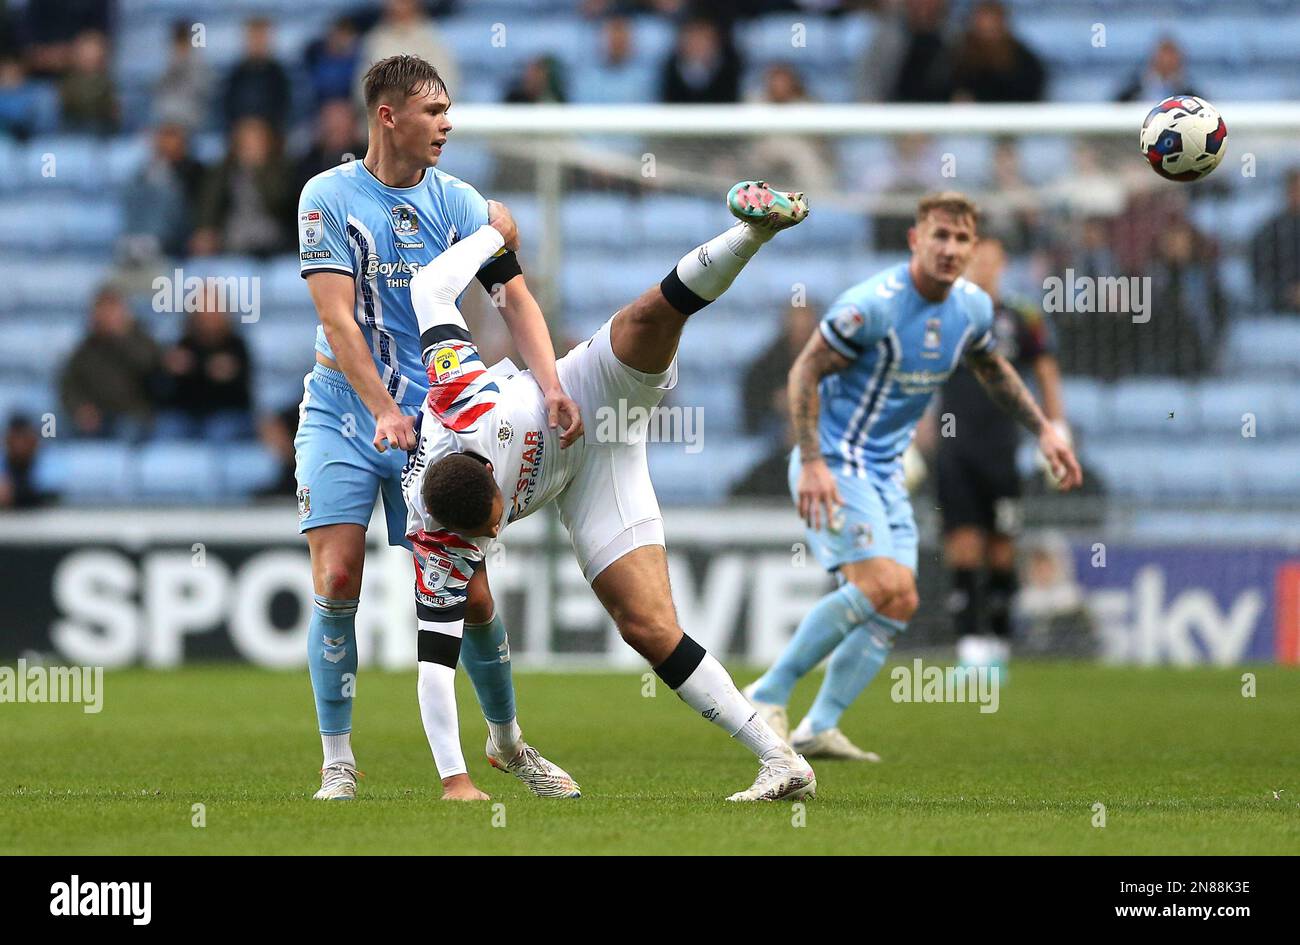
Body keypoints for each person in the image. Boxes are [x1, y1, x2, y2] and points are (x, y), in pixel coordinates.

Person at [401, 182, 817, 802]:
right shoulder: (436, 540)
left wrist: (496, 234)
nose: (498, 532)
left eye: (495, 519)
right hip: (587, 478)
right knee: (647, 627)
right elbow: (433, 668)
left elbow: (427, 290)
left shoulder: (460, 398)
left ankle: (754, 230)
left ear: (490, 470)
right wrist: (453, 781)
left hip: (581, 392)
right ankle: (782, 762)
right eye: (490, 532)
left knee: (645, 318)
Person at [296, 55, 583, 802]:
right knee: (337, 577)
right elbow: (335, 314)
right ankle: (338, 760)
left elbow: (514, 299)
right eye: (433, 111)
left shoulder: (461, 202)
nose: (447, 124)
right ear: (387, 115)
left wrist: (550, 384)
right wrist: (381, 409)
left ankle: (508, 741)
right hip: (343, 408)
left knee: (476, 598)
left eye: (450, 110)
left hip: (436, 423)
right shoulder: (326, 196)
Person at [743, 192, 1081, 760]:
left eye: (961, 239)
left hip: (883, 467)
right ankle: (768, 691)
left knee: (898, 601)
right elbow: (804, 370)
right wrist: (813, 462)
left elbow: (993, 369)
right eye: (940, 237)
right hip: (834, 458)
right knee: (879, 586)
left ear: (973, 248)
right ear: (915, 241)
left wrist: (1044, 428)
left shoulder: (971, 308)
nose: (950, 249)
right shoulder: (871, 305)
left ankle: (818, 725)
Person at [929, 236, 1066, 674]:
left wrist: (1055, 425)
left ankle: (1001, 648)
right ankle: (971, 649)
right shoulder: (945, 314)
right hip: (956, 452)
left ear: (1002, 264)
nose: (983, 267)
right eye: (976, 261)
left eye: (990, 260)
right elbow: (917, 373)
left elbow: (1045, 367)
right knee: (964, 548)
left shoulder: (1021, 316)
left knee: (1003, 550)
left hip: (1003, 451)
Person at [59, 286, 162, 440]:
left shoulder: (142, 340)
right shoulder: (85, 349)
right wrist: (79, 408)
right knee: (60, 429)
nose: (106, 316)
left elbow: (150, 369)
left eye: (112, 310)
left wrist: (121, 338)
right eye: (102, 310)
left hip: (133, 415)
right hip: (97, 415)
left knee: (127, 431)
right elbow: (68, 384)